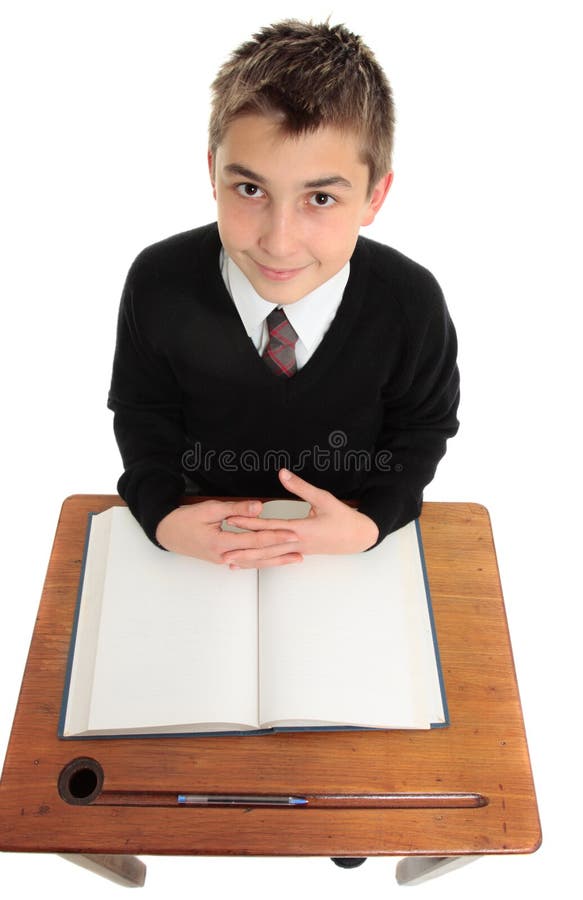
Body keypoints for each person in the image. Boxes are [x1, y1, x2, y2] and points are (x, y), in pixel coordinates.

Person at [108, 19, 460, 570]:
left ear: (374, 196)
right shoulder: (160, 282)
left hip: (347, 538)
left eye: (319, 198)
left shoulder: (409, 303)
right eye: (250, 189)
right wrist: (161, 516)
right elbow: (143, 411)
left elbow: (423, 425)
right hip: (201, 537)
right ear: (213, 171)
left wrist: (373, 521)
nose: (278, 241)